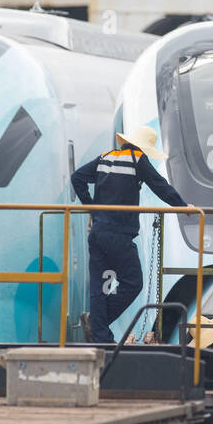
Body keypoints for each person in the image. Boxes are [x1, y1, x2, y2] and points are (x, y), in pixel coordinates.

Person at [71, 125, 187, 344]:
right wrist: (182, 206)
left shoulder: (105, 157)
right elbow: (159, 185)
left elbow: (77, 177)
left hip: (97, 233)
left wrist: (93, 208)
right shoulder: (137, 159)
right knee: (133, 282)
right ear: (143, 147)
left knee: (98, 286)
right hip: (119, 234)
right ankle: (98, 324)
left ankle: (100, 336)